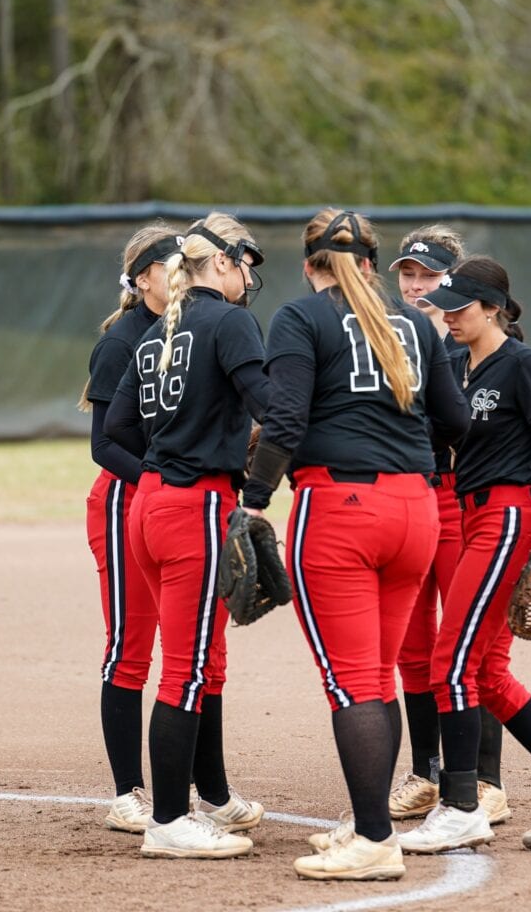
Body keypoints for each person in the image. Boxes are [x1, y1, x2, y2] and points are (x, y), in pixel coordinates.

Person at [241, 208, 470, 881]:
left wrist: (252, 500)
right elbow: (453, 419)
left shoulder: (299, 318)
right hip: (415, 509)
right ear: (371, 263)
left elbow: (283, 417)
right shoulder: (408, 322)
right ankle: (369, 823)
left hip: (341, 509)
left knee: (352, 682)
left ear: (310, 264)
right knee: (378, 674)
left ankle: (373, 838)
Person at [398, 256, 531, 853]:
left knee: (450, 659)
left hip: (510, 517)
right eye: (446, 306)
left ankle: (461, 804)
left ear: (493, 307)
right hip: (470, 518)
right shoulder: (458, 368)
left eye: (461, 307)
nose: (450, 316)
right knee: (487, 673)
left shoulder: (523, 365)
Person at [104, 213, 269, 860]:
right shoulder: (229, 321)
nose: (248, 274)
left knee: (201, 662)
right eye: (243, 263)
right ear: (219, 264)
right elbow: (269, 401)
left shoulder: (157, 332)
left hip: (150, 504)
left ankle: (206, 800)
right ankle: (169, 821)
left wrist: (171, 457)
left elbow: (118, 426)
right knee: (186, 667)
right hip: (195, 508)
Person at [388, 229, 511, 828]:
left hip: (461, 505)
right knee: (413, 645)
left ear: (455, 282)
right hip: (410, 500)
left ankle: (485, 780)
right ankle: (425, 770)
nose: (416, 286)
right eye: (407, 274)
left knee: (467, 644)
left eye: (429, 277)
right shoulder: (388, 340)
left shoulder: (475, 347)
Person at [81, 223, 182, 833]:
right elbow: (103, 446)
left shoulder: (192, 329)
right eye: (169, 265)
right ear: (142, 277)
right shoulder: (122, 341)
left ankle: (200, 784)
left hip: (169, 506)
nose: (180, 274)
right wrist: (159, 481)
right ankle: (128, 792)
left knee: (189, 646)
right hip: (124, 504)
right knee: (131, 646)